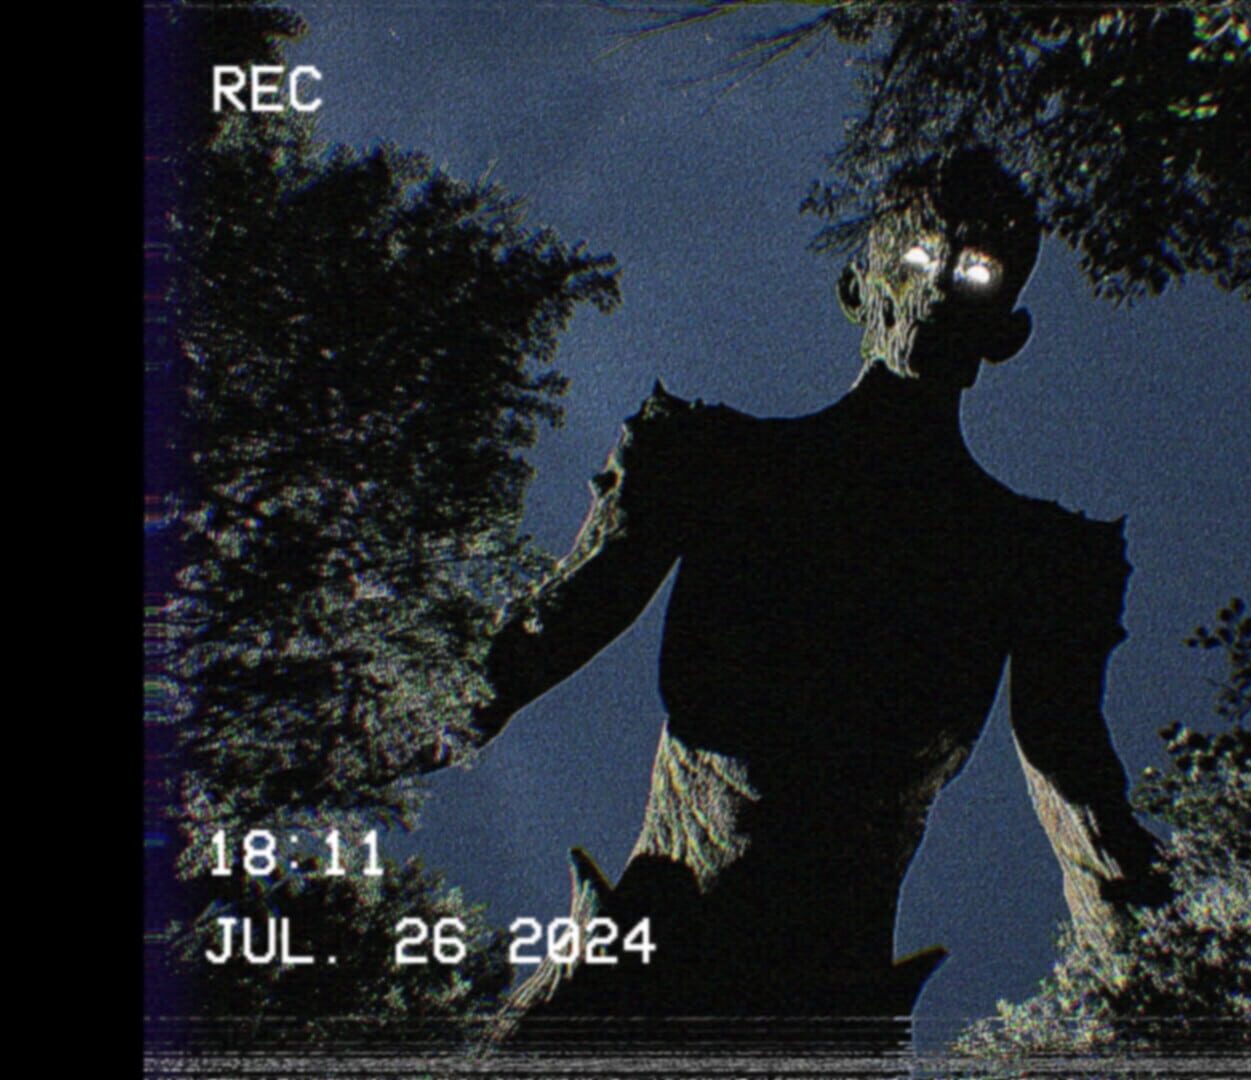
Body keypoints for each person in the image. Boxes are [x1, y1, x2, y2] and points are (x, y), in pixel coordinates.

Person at [468, 149, 1166, 1030]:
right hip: (637, 970)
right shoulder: (711, 464)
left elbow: (1074, 779)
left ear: (1007, 331)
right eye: (915, 259)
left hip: (821, 1007)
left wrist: (1151, 981)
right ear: (857, 287)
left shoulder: (1033, 562)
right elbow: (542, 633)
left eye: (974, 274)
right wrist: (377, 715)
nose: (937, 289)